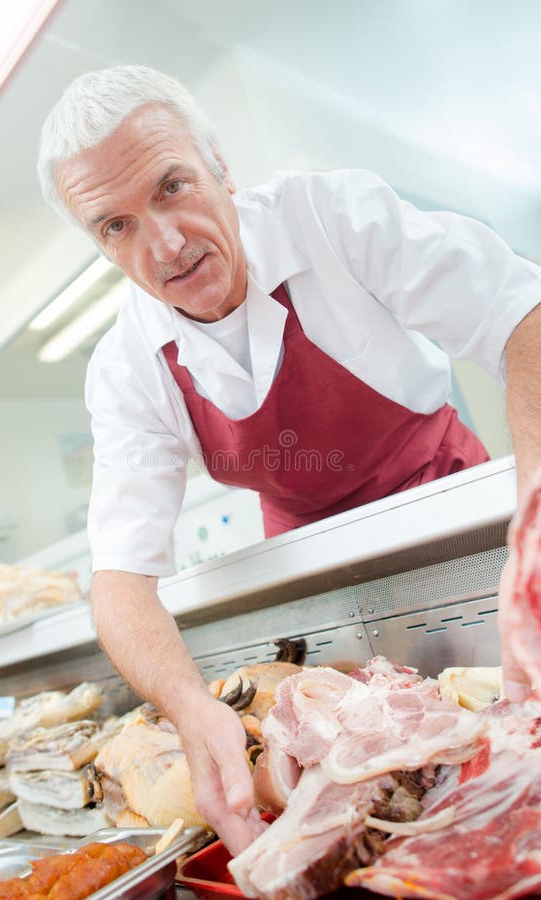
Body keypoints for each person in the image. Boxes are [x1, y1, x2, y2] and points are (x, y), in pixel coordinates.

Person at [38, 65, 541, 854]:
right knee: (387, 791)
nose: (163, 244)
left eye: (172, 187)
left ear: (220, 169)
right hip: (317, 578)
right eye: (116, 225)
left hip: (450, 515)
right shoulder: (128, 364)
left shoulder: (331, 217)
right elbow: (120, 581)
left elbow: (520, 316)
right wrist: (189, 705)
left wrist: (533, 535)